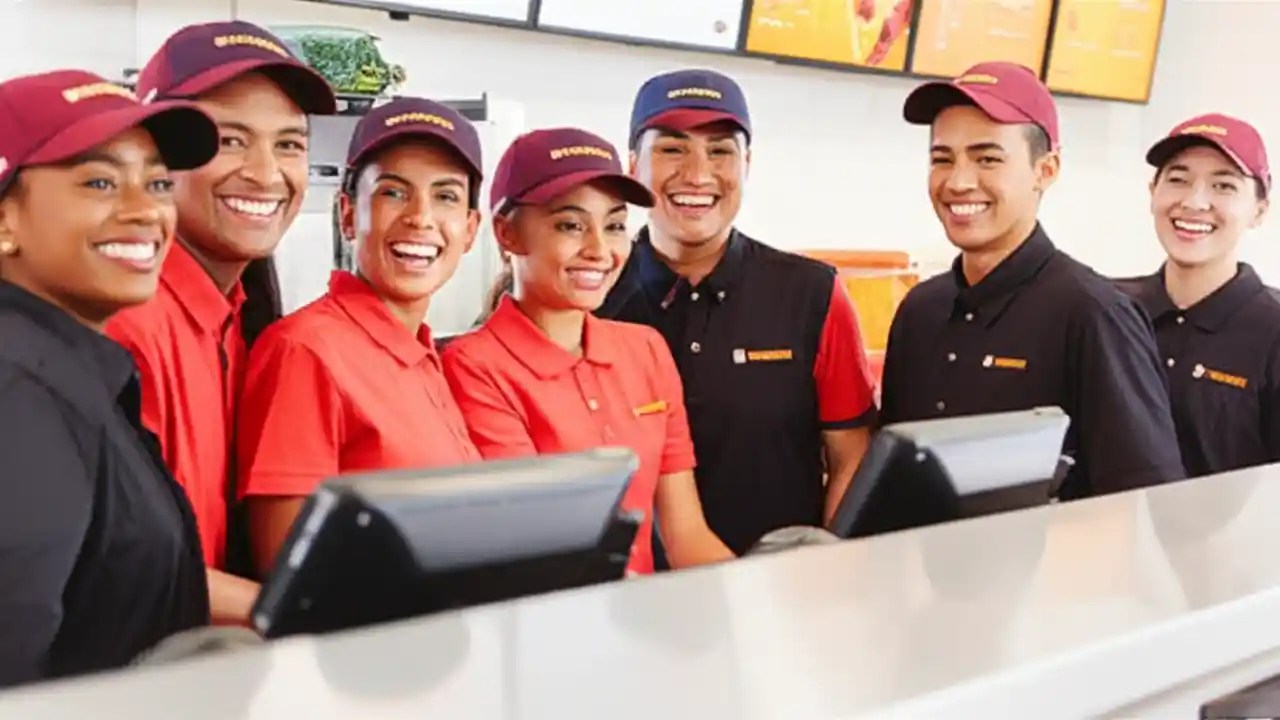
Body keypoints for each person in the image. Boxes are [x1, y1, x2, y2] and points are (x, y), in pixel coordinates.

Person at [104, 20, 338, 623]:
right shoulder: (126, 323)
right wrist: (309, 613)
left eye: (288, 144)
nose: (265, 174)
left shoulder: (237, 319)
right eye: (230, 140)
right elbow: (116, 566)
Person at [597, 69, 878, 558]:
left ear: (747, 163)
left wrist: (829, 568)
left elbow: (851, 457)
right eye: (672, 148)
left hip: (781, 597)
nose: (698, 174)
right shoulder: (593, 300)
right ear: (632, 163)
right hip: (624, 605)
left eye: (720, 150)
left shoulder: (813, 293)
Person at [0, 69, 219, 685]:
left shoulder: (67, 373)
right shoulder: (19, 390)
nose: (145, 210)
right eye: (100, 182)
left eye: (156, 183)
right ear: (4, 220)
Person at [882, 61, 1185, 498]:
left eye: (987, 159)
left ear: (1046, 170)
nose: (959, 181)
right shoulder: (919, 310)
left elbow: (1148, 501)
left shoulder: (1094, 315)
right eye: (942, 159)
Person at [442, 127, 734, 574]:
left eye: (614, 226)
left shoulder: (646, 349)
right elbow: (534, 555)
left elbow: (686, 536)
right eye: (571, 225)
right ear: (507, 233)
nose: (600, 250)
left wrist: (753, 606)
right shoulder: (471, 368)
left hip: (643, 620)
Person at [236, 98, 483, 574]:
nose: (420, 217)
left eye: (446, 196)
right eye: (393, 192)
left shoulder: (424, 354)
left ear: (470, 230)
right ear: (347, 214)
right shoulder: (305, 351)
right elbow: (290, 571)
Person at [1115, 113, 1280, 477]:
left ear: (1259, 211)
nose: (1194, 202)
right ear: (1152, 193)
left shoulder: (1272, 331)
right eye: (1178, 179)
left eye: (1224, 186)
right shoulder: (1107, 310)